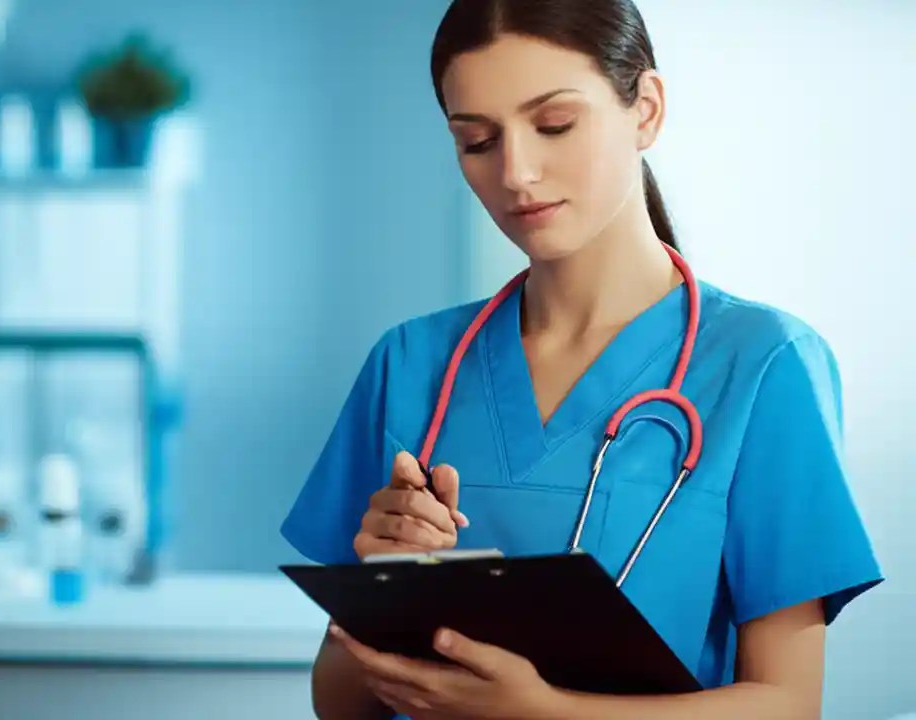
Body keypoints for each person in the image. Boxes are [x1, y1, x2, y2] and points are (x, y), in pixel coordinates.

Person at [279, 0, 884, 718]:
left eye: (555, 125)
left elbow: (787, 705)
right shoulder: (410, 364)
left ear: (646, 109)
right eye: (476, 141)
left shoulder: (762, 366)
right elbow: (339, 702)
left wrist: (540, 711)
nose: (517, 172)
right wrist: (387, 584)